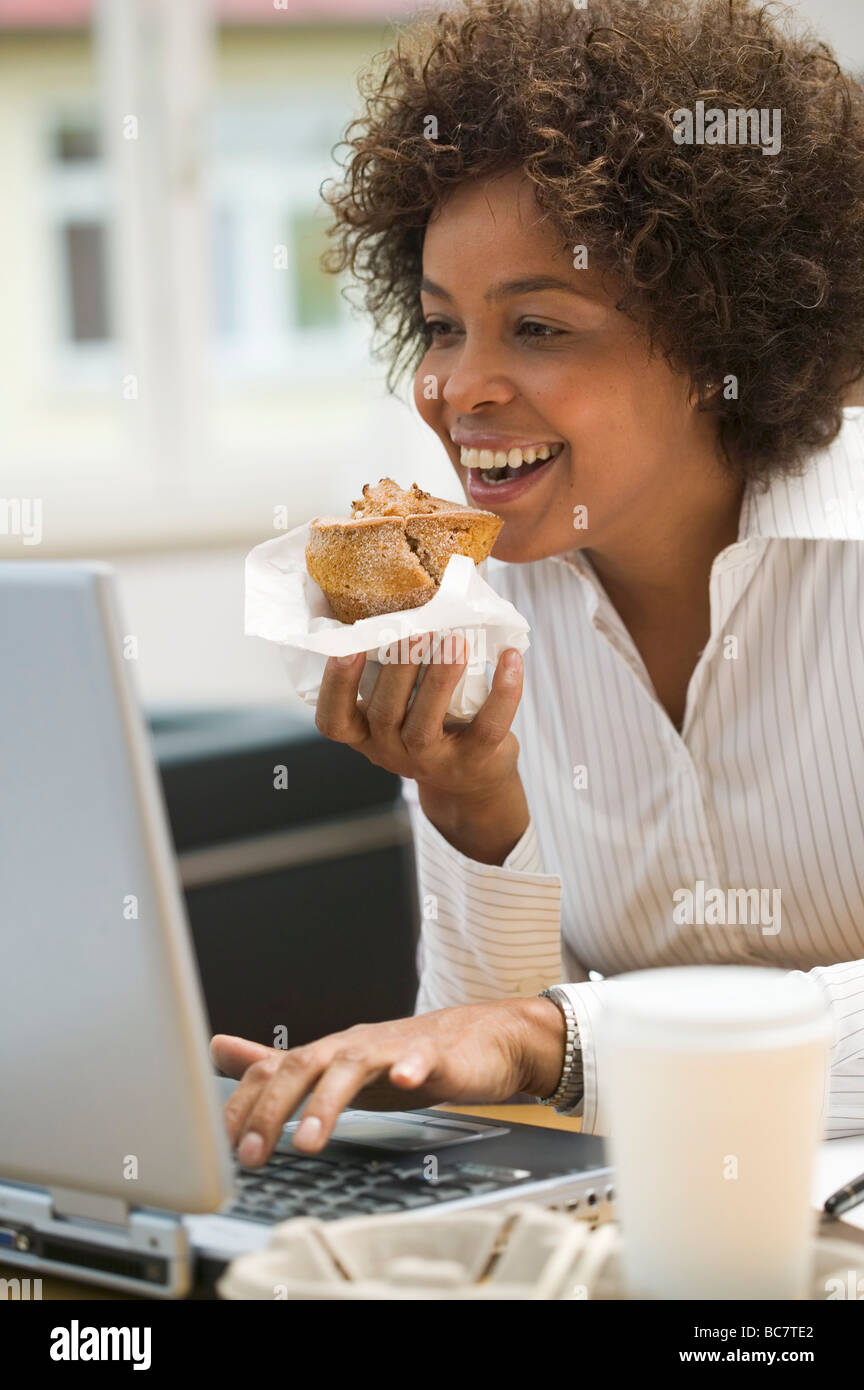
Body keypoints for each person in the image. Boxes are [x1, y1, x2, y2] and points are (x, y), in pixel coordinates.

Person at [212, 0, 864, 1169]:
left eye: (539, 327)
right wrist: (475, 822)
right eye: (440, 326)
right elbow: (495, 1097)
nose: (458, 389)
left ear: (725, 336)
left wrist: (552, 1035)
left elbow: (533, 1049)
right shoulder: (467, 615)